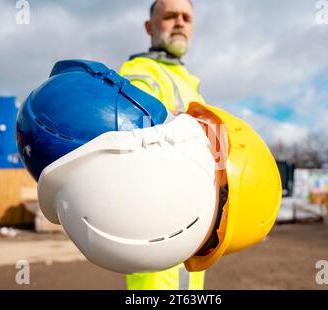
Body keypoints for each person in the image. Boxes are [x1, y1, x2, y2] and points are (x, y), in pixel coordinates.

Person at [119, 0, 207, 290]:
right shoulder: (139, 71)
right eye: (170, 16)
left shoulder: (190, 81)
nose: (180, 22)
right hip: (156, 222)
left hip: (192, 223)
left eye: (187, 18)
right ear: (149, 27)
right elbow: (131, 129)